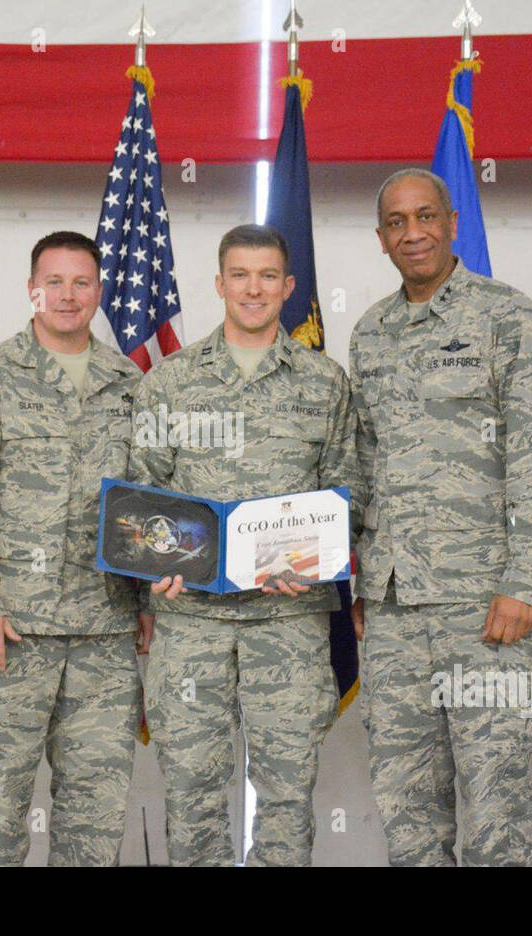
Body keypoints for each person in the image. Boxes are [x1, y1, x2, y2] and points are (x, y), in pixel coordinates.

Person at [349, 168, 532, 866]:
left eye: (426, 216)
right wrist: (361, 576)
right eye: (397, 222)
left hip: (485, 606)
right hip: (392, 613)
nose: (413, 232)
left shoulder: (508, 317)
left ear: (452, 222)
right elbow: (363, 464)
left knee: (495, 803)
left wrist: (525, 582)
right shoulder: (371, 333)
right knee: (406, 804)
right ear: (382, 237)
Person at [128, 223, 360, 866]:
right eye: (239, 275)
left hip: (288, 618)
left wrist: (312, 560)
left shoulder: (325, 383)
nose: (252, 289)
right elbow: (141, 495)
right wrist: (156, 567)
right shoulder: (169, 383)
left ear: (288, 286)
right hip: (190, 619)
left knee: (286, 795)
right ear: (219, 283)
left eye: (266, 276)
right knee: (193, 792)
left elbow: (349, 490)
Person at [0, 231, 144, 866]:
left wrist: (149, 596)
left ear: (99, 292)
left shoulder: (129, 383)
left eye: (81, 283)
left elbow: (149, 501)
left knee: (96, 817)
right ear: (31, 290)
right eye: (55, 282)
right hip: (9, 634)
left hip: (103, 635)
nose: (67, 296)